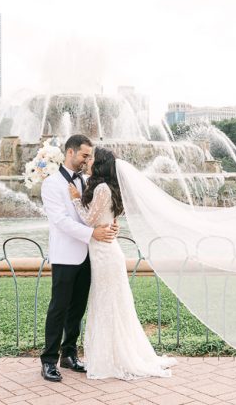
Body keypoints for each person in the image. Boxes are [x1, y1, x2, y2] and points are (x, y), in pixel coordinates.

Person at [69, 146, 176, 380]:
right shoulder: (106, 187)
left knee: (108, 303)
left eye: (92, 158)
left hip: (104, 254)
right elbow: (109, 219)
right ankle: (112, 354)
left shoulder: (103, 189)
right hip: (105, 250)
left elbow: (89, 220)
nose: (88, 160)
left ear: (101, 163)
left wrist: (76, 200)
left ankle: (114, 358)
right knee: (109, 302)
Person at [39, 134, 119, 383]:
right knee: (59, 308)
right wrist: (92, 233)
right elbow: (61, 221)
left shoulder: (88, 181)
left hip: (90, 256)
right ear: (70, 152)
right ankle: (49, 360)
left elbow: (97, 212)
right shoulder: (51, 184)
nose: (87, 160)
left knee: (77, 308)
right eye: (84, 155)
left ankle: (69, 355)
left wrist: (110, 225)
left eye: (90, 156)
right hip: (66, 255)